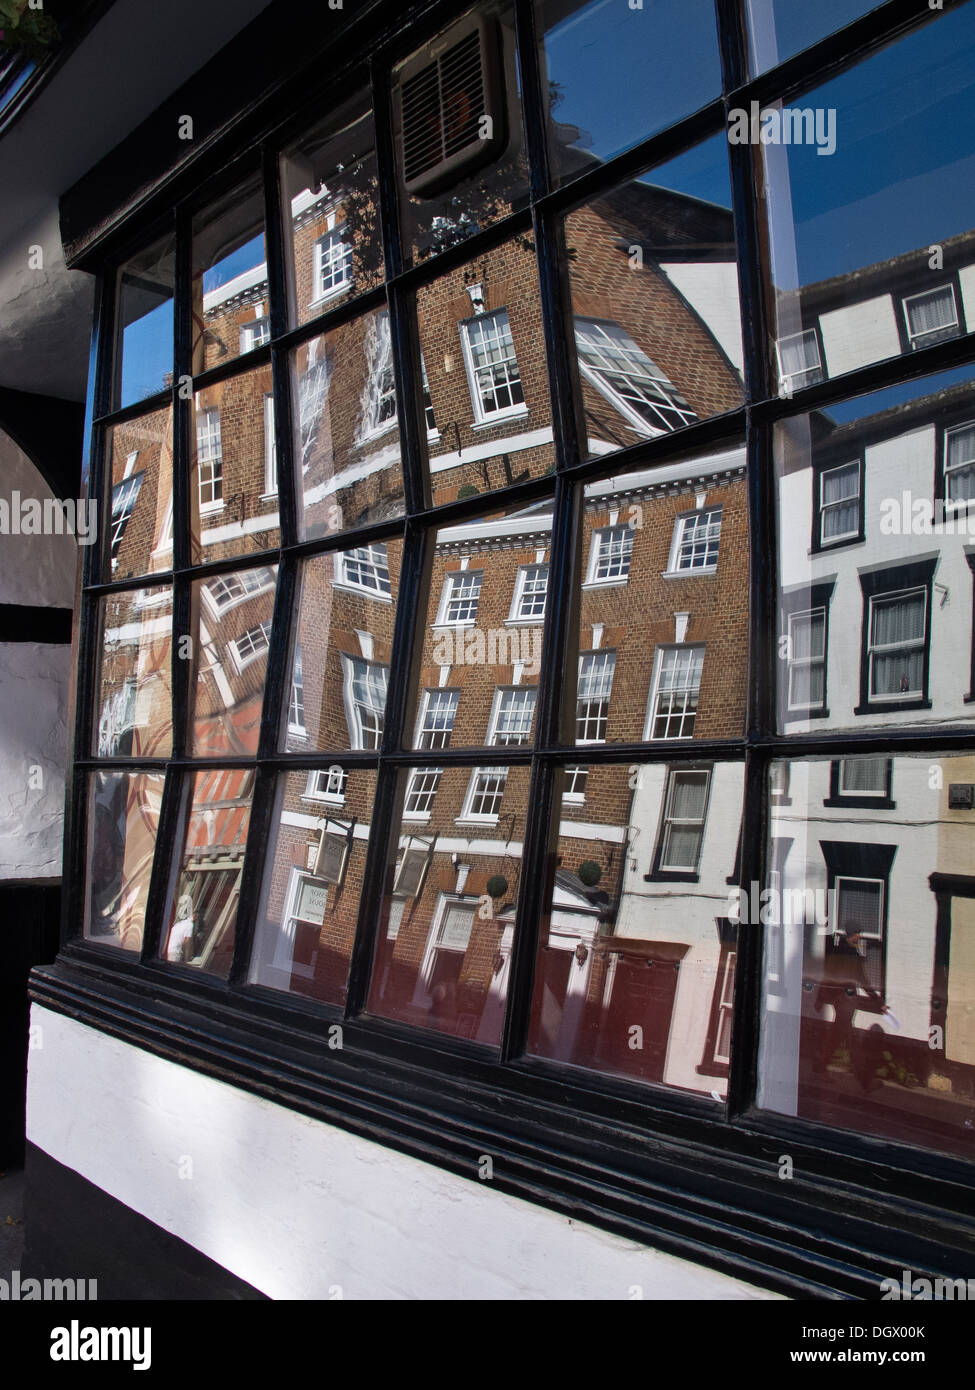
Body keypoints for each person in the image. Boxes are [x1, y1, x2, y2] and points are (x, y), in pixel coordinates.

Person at [814, 923, 889, 1091]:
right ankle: (865, 1081)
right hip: (843, 1000)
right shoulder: (840, 952)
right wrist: (820, 998)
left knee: (837, 1035)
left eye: (859, 934)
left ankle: (819, 1065)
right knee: (851, 1038)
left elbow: (863, 980)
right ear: (850, 935)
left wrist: (878, 1002)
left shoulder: (852, 953)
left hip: (846, 1000)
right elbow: (828, 974)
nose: (859, 937)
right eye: (857, 934)